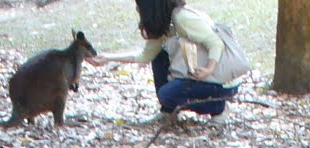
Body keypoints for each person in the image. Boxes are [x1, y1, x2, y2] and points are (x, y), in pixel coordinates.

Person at [99, 0, 239, 119]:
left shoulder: (183, 18)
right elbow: (145, 56)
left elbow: (215, 42)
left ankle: (218, 107)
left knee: (167, 94)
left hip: (221, 82)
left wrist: (209, 68)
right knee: (159, 55)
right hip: (204, 78)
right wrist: (108, 58)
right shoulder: (165, 25)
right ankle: (168, 110)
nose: (137, 9)